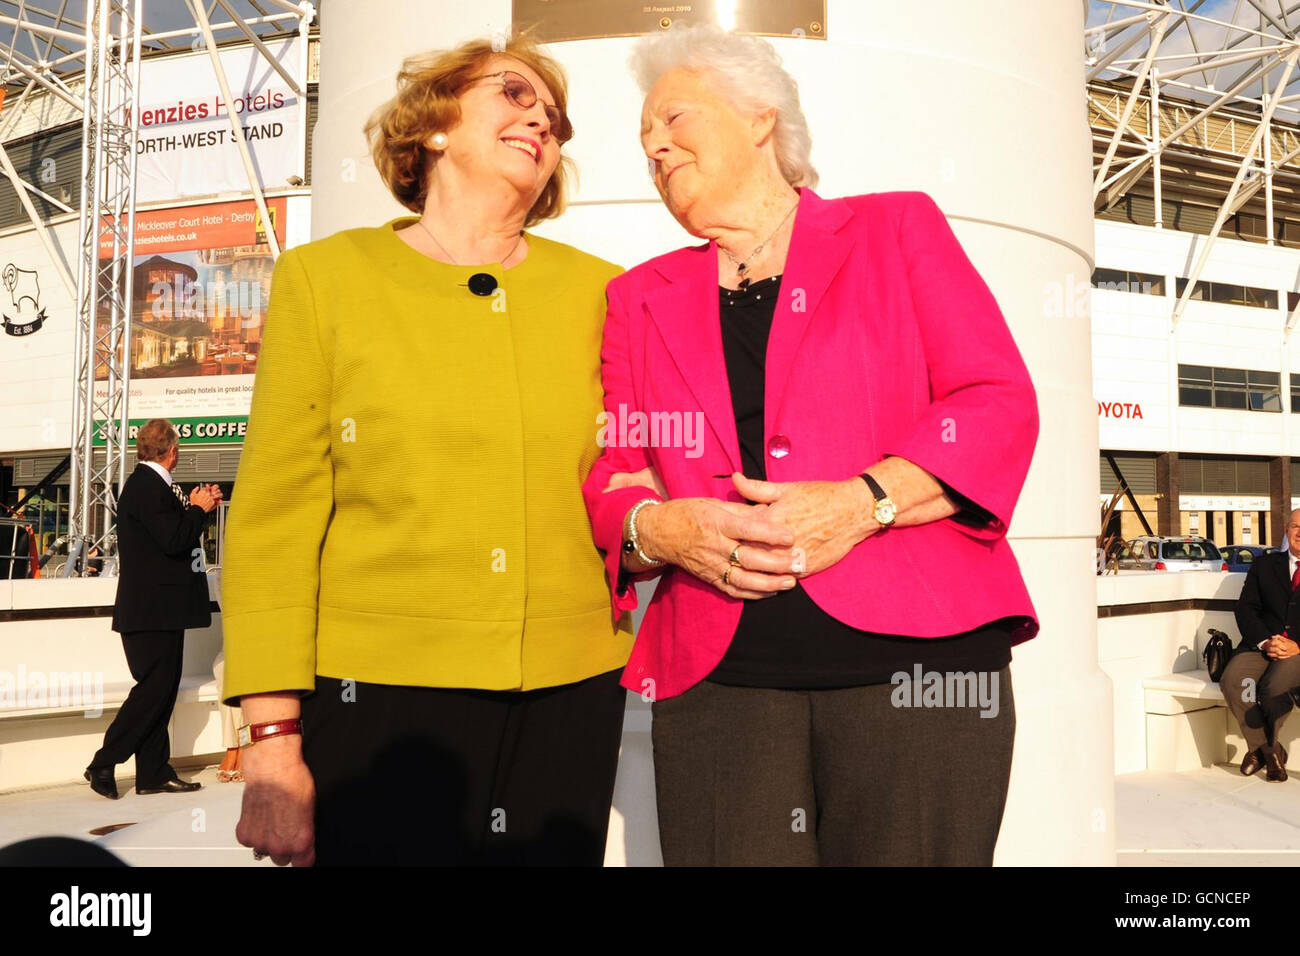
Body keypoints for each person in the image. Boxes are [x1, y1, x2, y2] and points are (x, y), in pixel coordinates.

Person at [581, 23, 1041, 866]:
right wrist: (663, 530)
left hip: (919, 669)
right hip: (720, 681)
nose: (654, 144)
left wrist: (864, 503)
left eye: (673, 118)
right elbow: (619, 472)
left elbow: (995, 403)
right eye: (644, 139)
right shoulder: (637, 298)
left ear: (760, 117)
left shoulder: (896, 229)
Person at [221, 33, 641, 866]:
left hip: (571, 694)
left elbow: (633, 470)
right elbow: (274, 521)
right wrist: (271, 738)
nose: (543, 122)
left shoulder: (604, 290)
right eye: (516, 95)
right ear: (435, 126)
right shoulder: (324, 279)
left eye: (554, 118)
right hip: (378, 697)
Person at [85, 418, 220, 799]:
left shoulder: (155, 487)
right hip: (151, 611)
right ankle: (103, 761)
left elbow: (174, 532)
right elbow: (175, 539)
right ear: (173, 451)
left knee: (160, 691)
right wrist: (197, 509)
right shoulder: (147, 487)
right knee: (153, 690)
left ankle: (153, 772)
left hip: (159, 610)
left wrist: (199, 507)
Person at [1223, 509, 1300, 781]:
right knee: (1235, 681)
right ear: (1286, 531)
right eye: (1295, 526)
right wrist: (1267, 641)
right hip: (1261, 645)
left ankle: (1260, 752)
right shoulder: (1264, 565)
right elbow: (1246, 609)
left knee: (1273, 688)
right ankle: (1270, 750)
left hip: (1298, 652)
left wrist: (1296, 646)